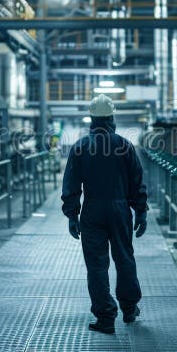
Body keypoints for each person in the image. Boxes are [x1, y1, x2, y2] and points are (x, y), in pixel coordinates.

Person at [61, 94, 148, 334]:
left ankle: (106, 317)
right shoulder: (124, 145)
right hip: (120, 210)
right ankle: (129, 309)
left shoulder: (81, 146)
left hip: (92, 211)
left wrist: (72, 215)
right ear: (111, 118)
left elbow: (71, 184)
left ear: (92, 118)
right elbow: (137, 182)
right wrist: (140, 211)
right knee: (124, 259)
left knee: (97, 265)